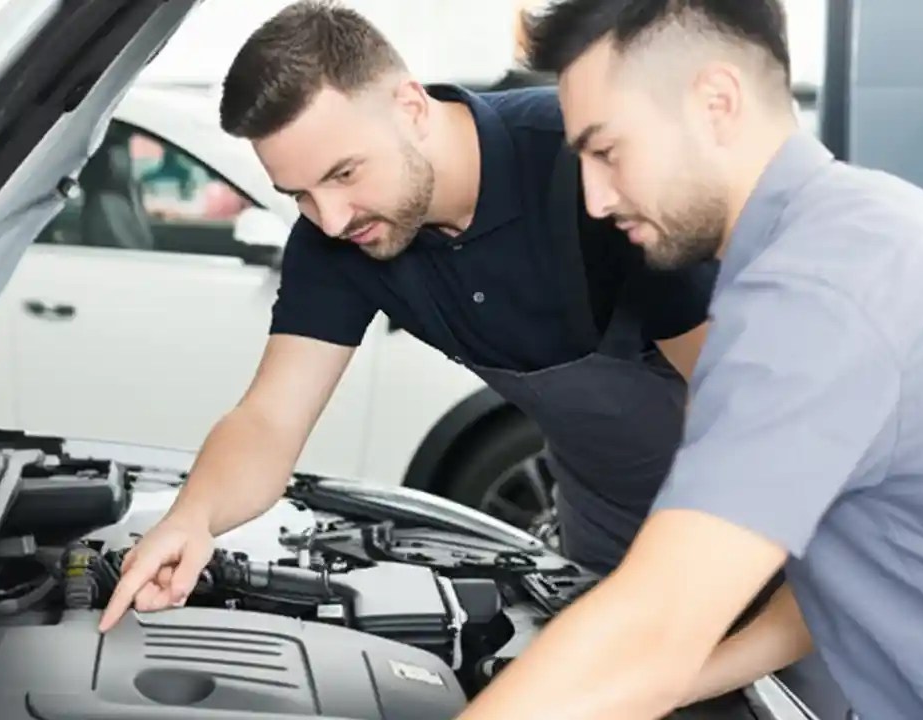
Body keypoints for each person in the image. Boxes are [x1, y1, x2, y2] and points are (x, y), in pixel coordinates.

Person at [454, 1, 923, 719]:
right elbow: (857, 574)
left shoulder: (812, 298)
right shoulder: (876, 228)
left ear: (716, 103)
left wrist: (649, 670)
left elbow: (656, 626)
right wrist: (685, 682)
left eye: (609, 150)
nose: (594, 199)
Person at [99, 0, 715, 629]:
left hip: (747, 510)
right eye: (301, 195)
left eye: (344, 173)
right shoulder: (336, 240)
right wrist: (190, 519)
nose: (333, 219)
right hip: (602, 533)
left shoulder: (584, 160)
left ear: (412, 108)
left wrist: (687, 579)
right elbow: (269, 418)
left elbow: (730, 399)